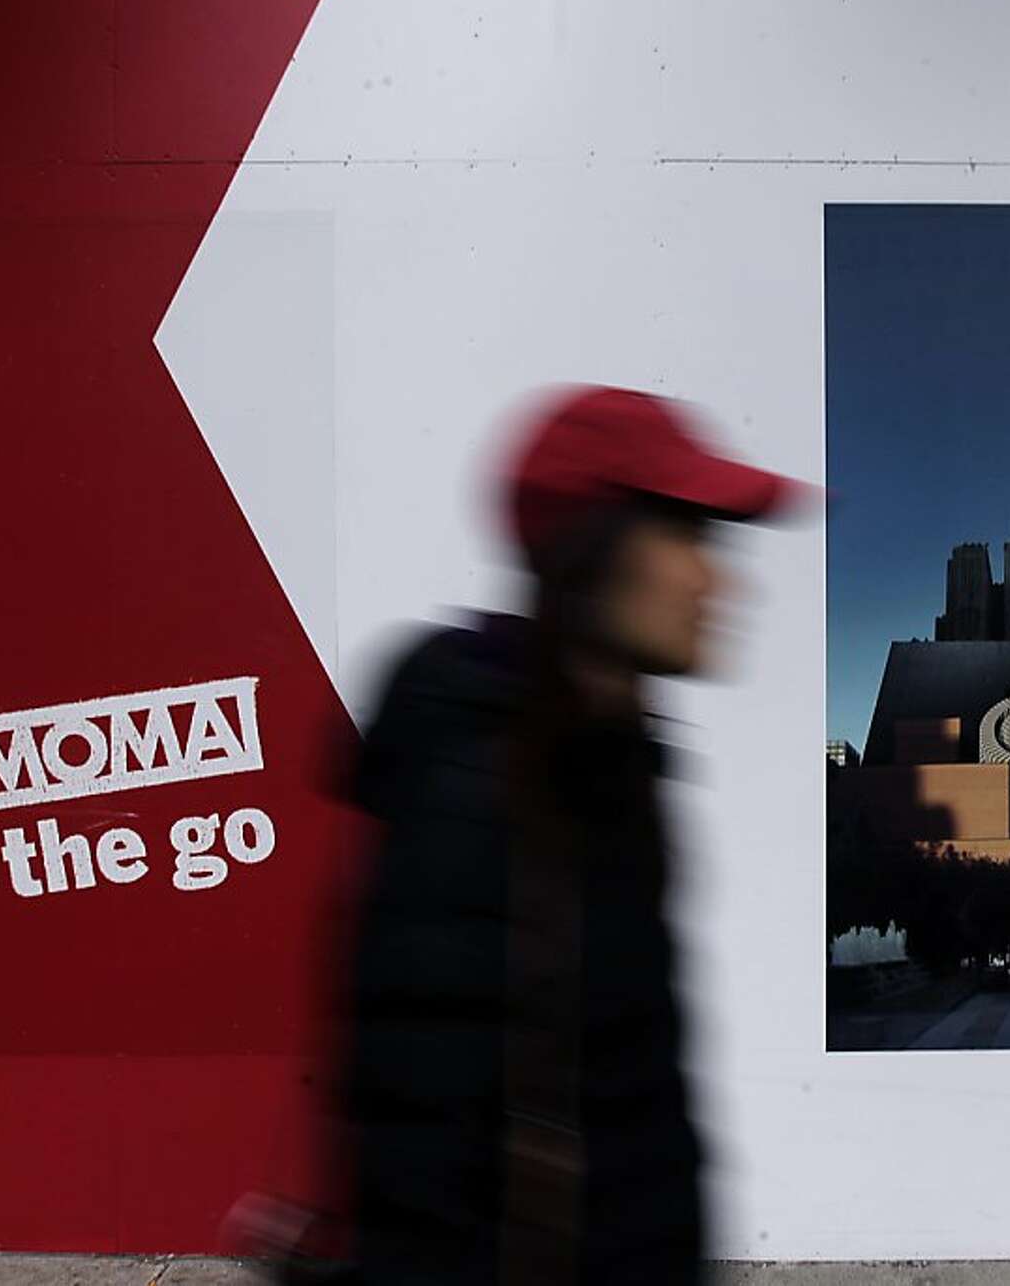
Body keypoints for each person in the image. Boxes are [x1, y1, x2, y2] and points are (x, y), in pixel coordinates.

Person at [338, 386, 796, 1284]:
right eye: (684, 535)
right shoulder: (477, 785)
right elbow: (421, 1163)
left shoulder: (612, 764)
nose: (719, 579)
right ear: (592, 555)